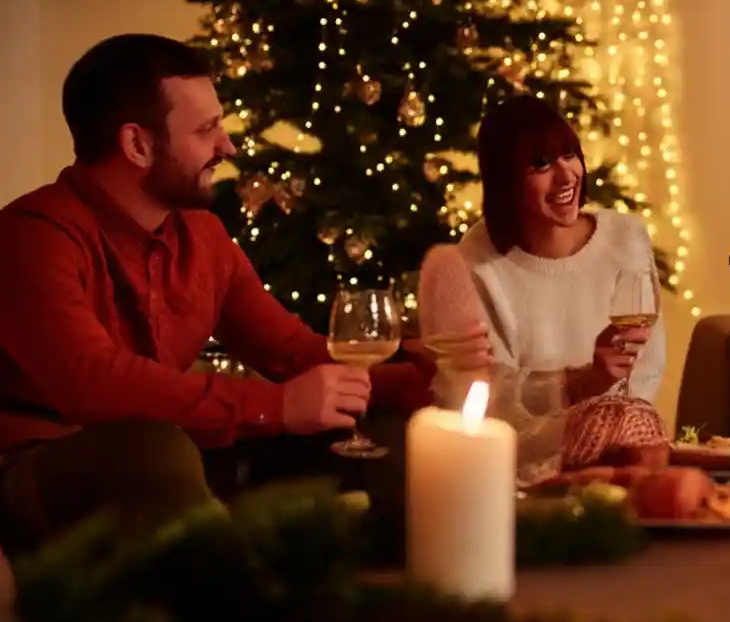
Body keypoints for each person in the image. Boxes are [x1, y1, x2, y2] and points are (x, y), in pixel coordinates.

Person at [0, 34, 434, 555]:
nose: (227, 147)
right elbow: (94, 385)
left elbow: (292, 353)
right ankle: (228, 608)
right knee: (151, 449)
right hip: (42, 469)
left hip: (180, 448)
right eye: (207, 130)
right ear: (137, 144)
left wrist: (426, 374)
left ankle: (388, 597)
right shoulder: (33, 235)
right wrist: (275, 407)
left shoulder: (202, 236)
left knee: (389, 431)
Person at [441, 94, 666, 485]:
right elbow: (491, 400)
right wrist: (581, 383)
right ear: (505, 179)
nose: (566, 176)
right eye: (540, 164)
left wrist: (611, 432)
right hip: (520, 481)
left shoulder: (625, 237)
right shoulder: (475, 264)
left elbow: (647, 371)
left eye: (569, 155)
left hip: (626, 460)